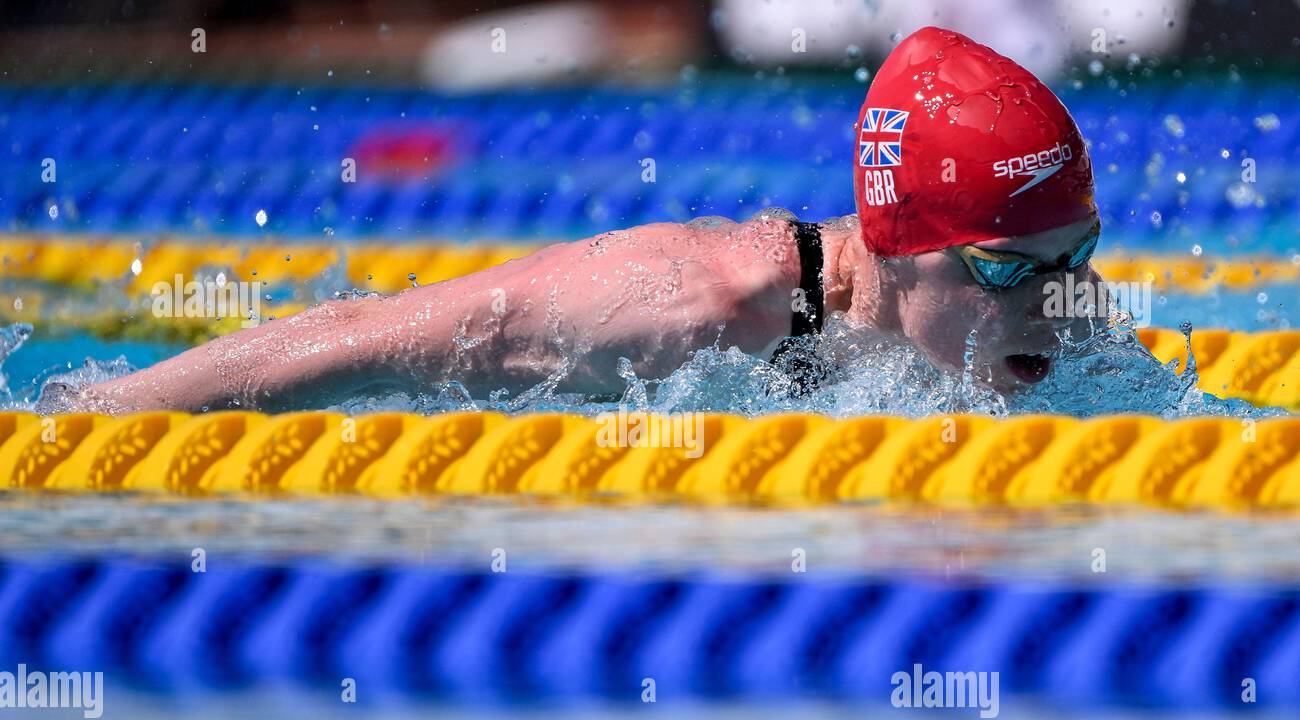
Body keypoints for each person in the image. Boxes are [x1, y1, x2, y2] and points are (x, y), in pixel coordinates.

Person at [70, 26, 1102, 415]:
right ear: (892, 243)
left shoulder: (1055, 306)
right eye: (1011, 269)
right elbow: (365, 336)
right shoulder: (684, 304)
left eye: (1079, 256)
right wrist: (93, 424)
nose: (1061, 302)